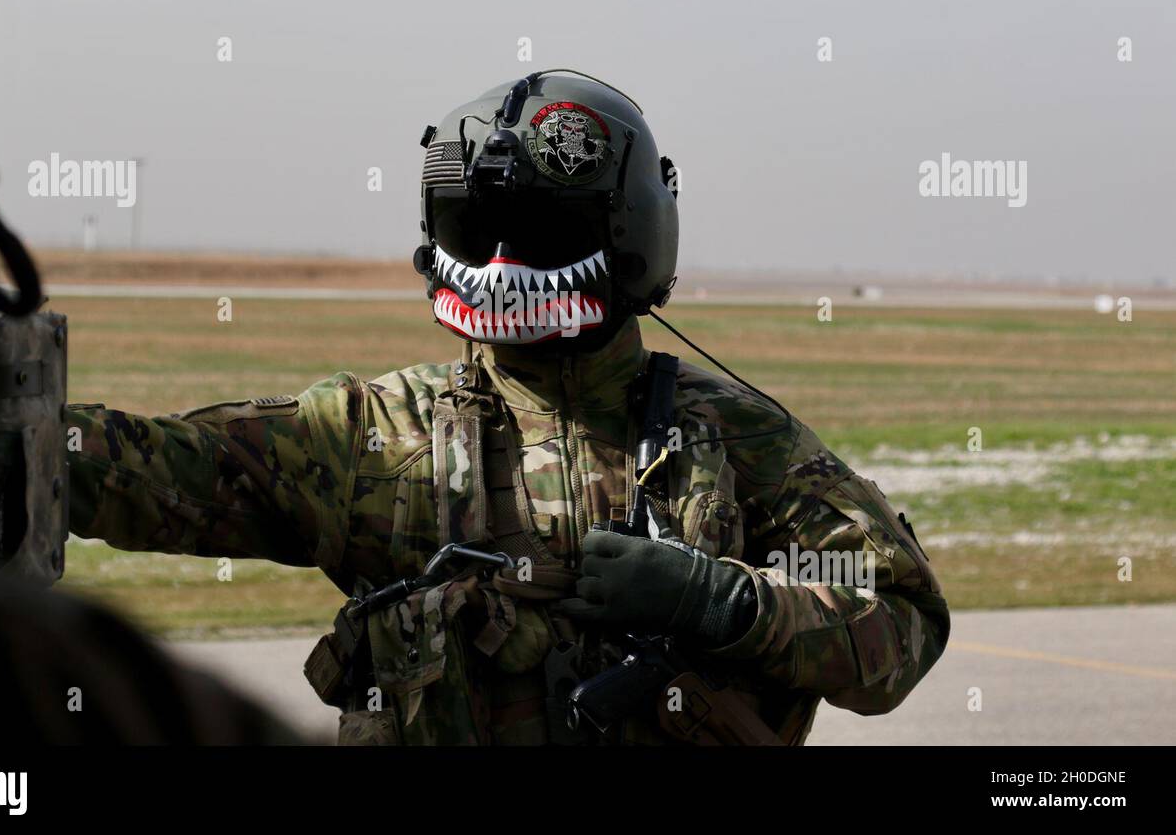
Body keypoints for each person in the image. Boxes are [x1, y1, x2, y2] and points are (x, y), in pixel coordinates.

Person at [67, 71, 949, 745]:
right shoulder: (376, 436)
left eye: (538, 235)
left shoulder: (734, 439)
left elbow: (900, 624)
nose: (500, 263)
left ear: (626, 234)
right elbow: (145, 468)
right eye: (470, 232)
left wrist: (718, 601)